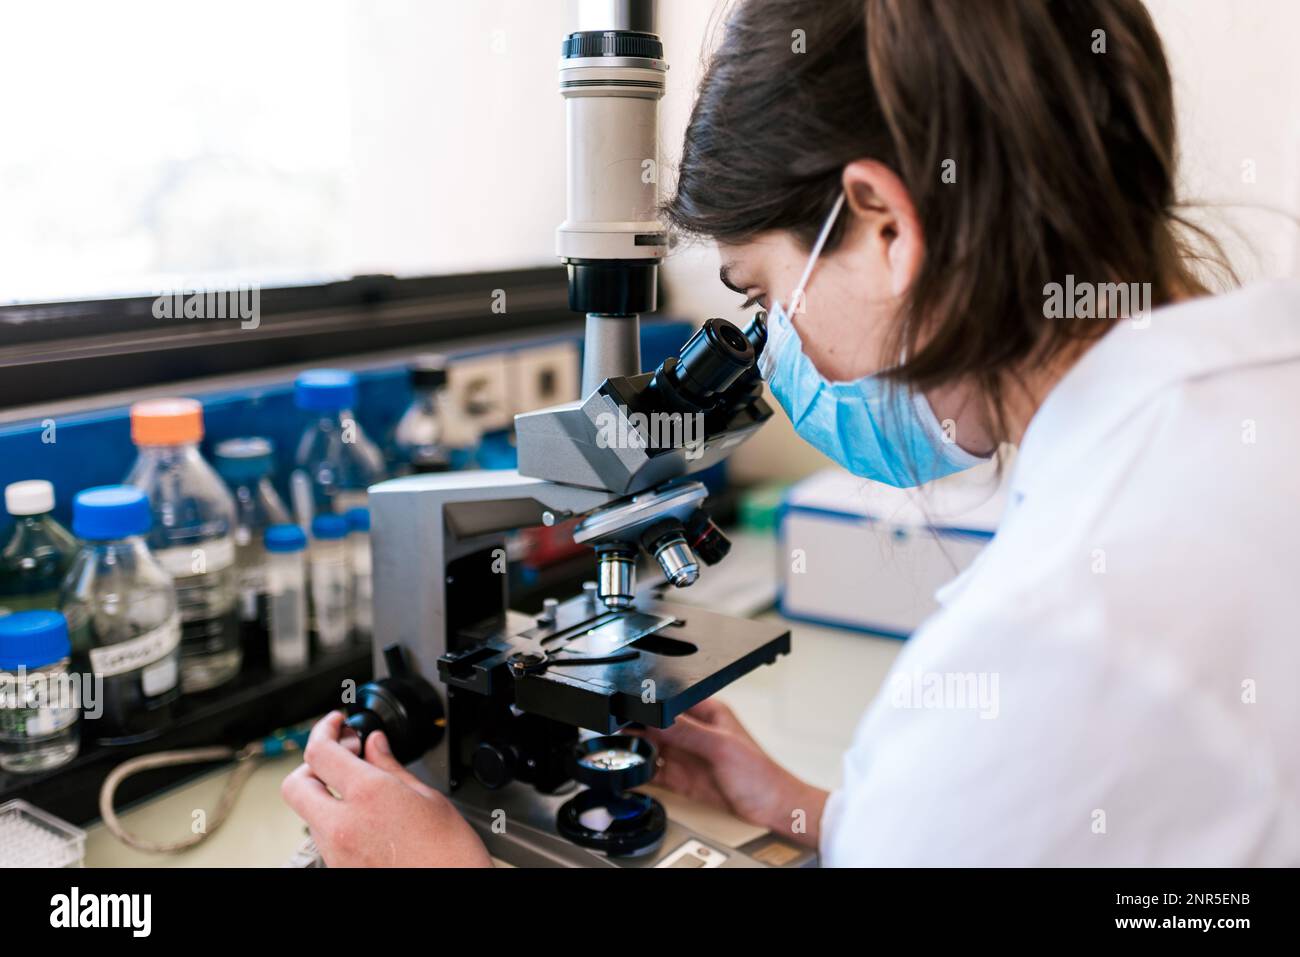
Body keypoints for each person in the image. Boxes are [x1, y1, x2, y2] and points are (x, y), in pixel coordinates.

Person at [283, 0, 1300, 866]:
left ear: (885, 223)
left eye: (765, 297)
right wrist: (818, 813)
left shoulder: (1054, 638)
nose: (776, 356)